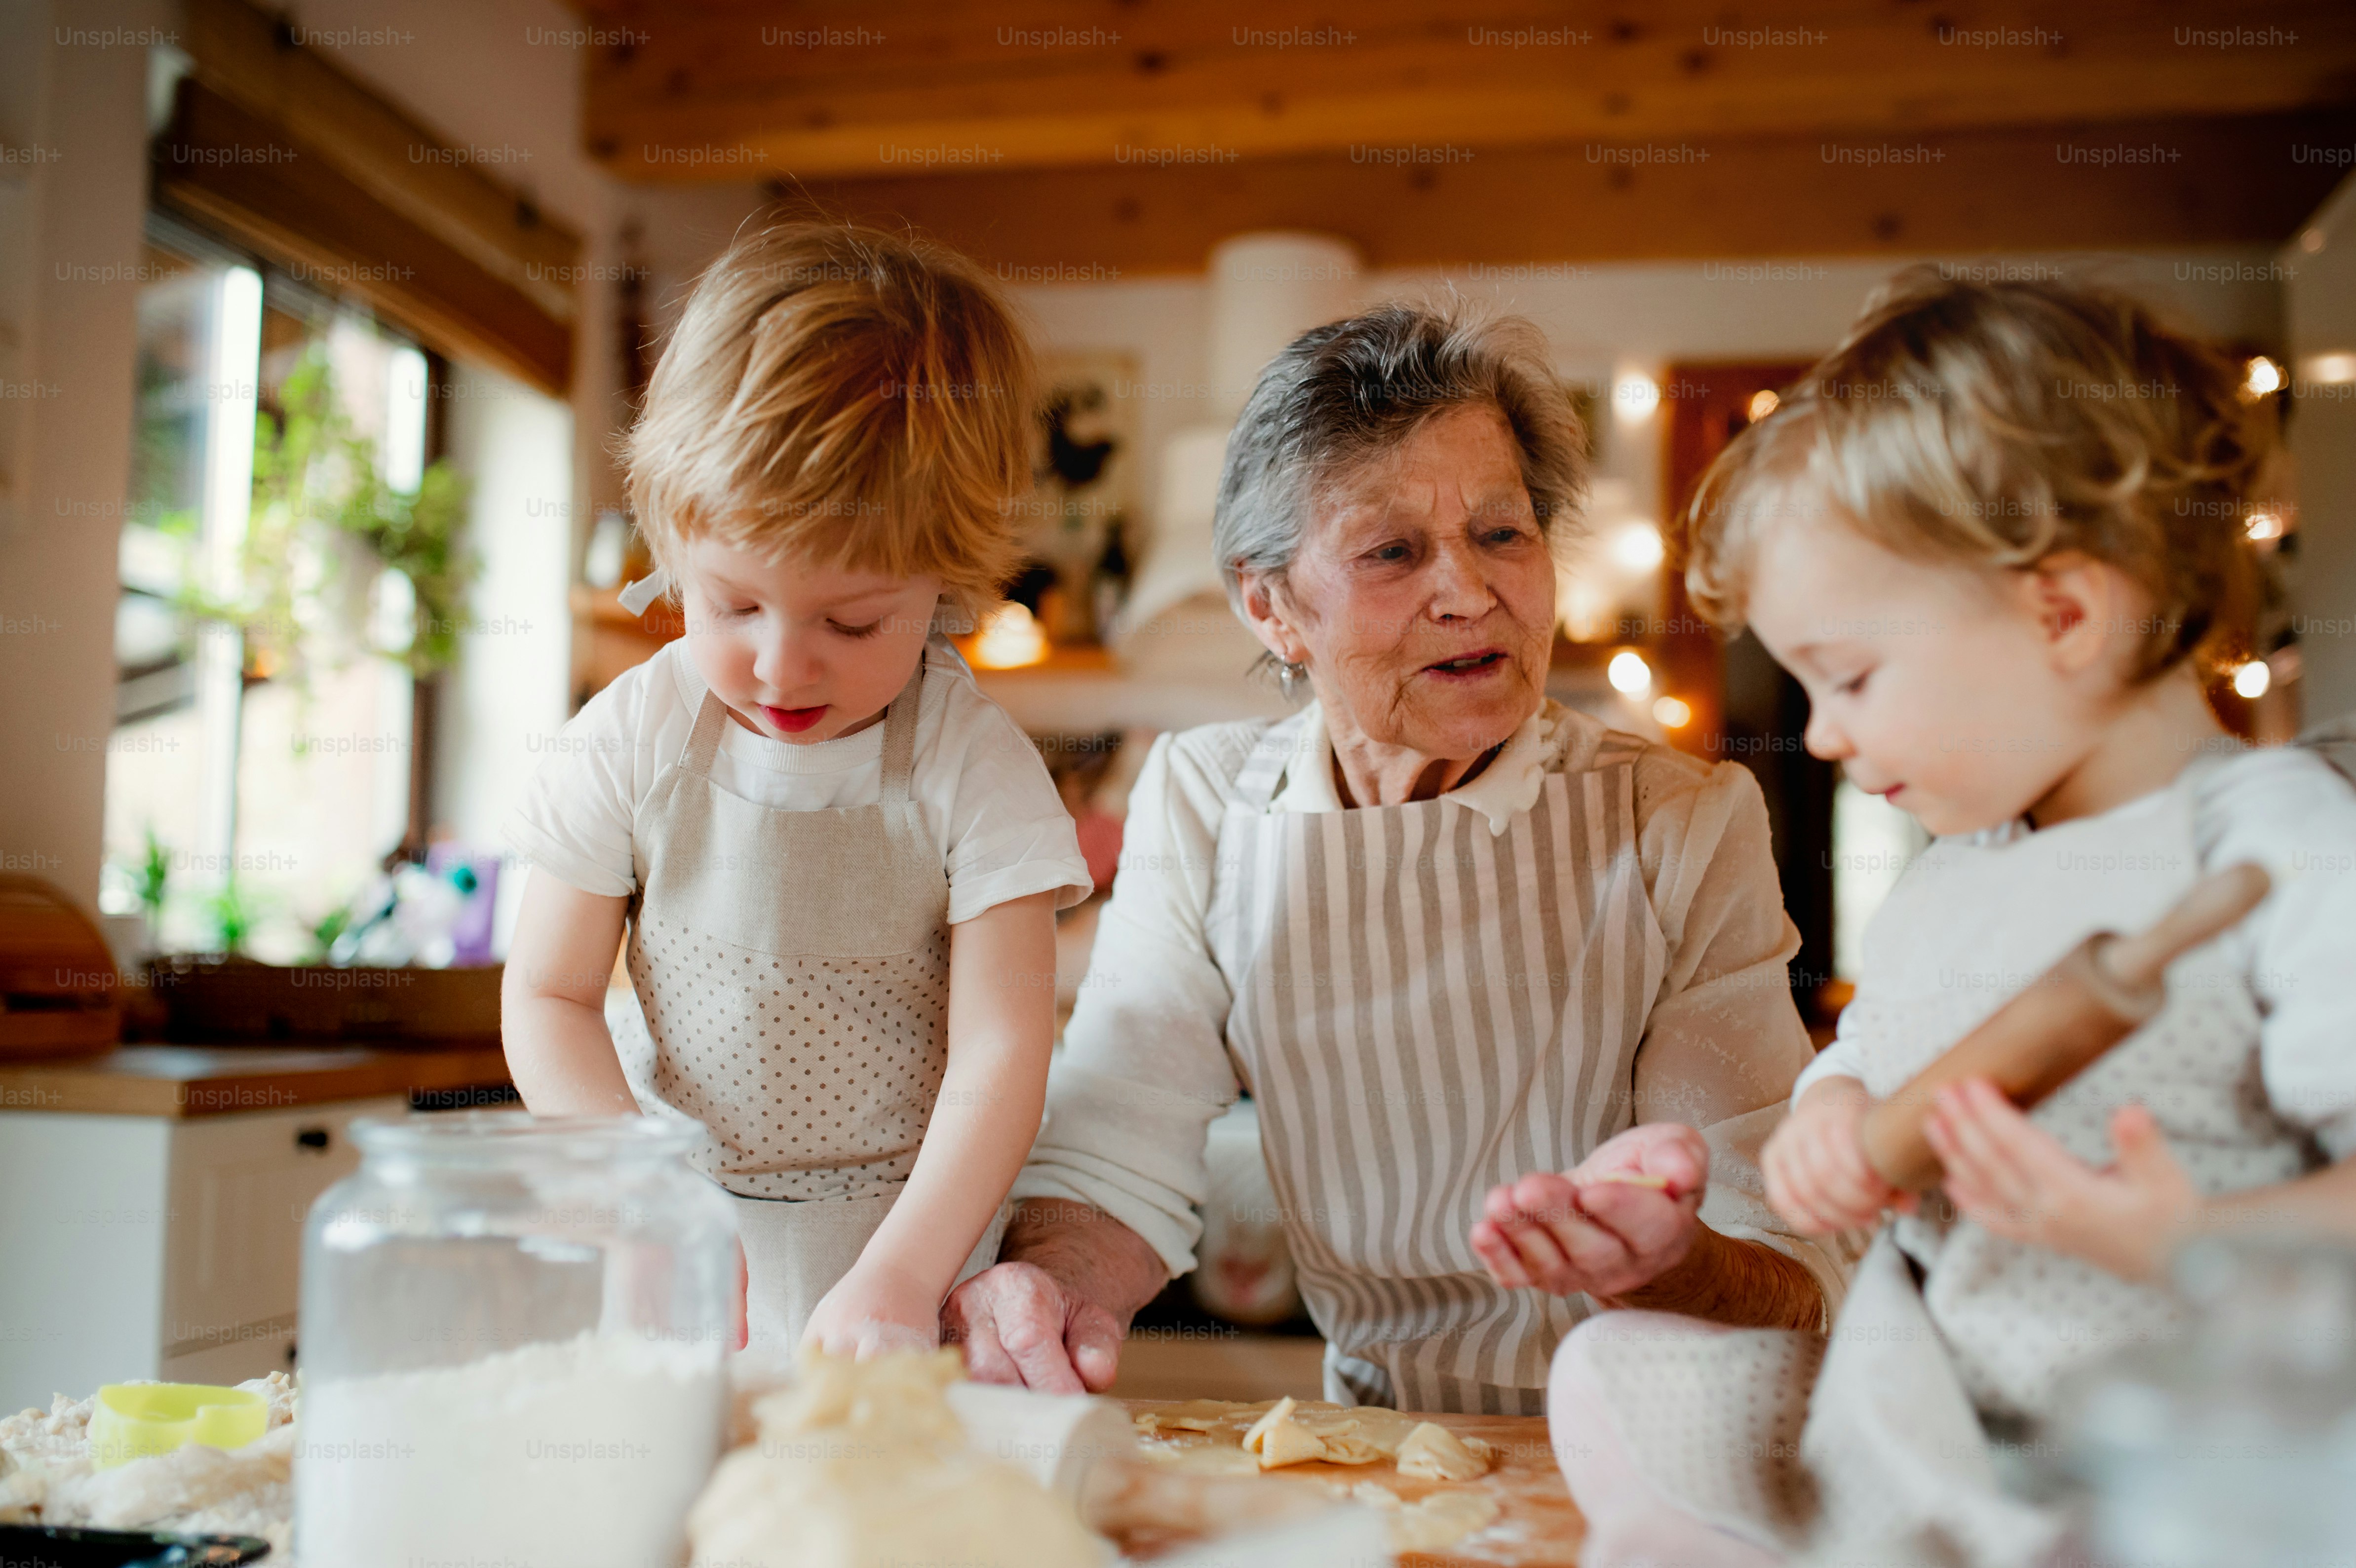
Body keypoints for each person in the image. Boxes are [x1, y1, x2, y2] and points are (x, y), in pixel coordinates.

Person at [1549, 268, 2356, 1568]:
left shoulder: (2270, 840)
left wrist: (2192, 1241)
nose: (1821, 734)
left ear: (2061, 613)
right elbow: (1872, 1057)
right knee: (1611, 1368)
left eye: (1851, 675)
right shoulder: (1951, 873)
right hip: (1934, 1411)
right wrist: (1828, 1118)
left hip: (2174, 1442)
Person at [946, 303, 1846, 1415]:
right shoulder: (1208, 798)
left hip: (1663, 1428)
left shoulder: (1675, 819)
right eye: (1391, 551)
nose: (1469, 592)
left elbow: (1777, 1260)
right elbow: (1118, 1139)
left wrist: (1669, 1261)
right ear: (1269, 605)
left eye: (1502, 533)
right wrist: (1048, 1290)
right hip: (1380, 1437)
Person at [501, 220, 1093, 1359]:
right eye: (730, 604)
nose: (781, 665)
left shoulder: (972, 766)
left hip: (909, 1245)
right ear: (674, 546)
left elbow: (1001, 1050)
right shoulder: (632, 733)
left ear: (943, 585)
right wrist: (641, 1204)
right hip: (668, 1230)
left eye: (851, 621)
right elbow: (549, 994)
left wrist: (902, 1275)